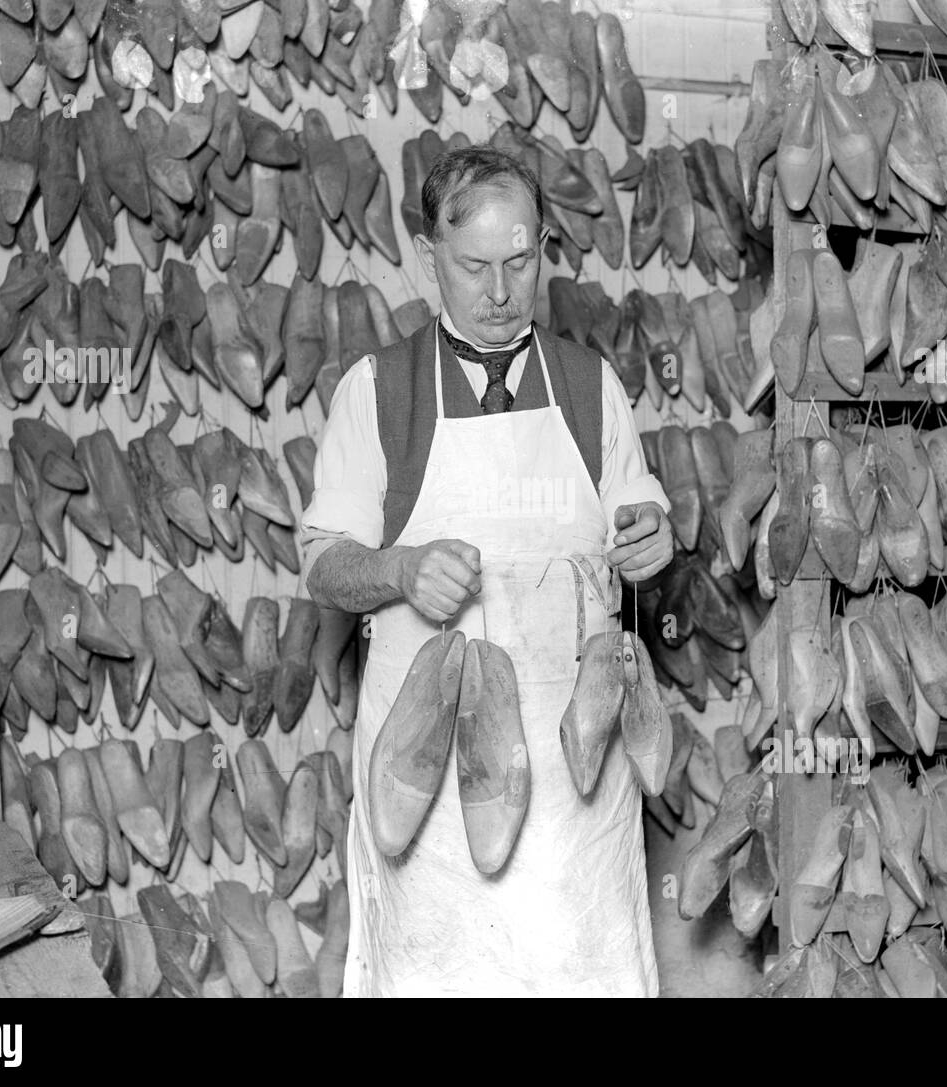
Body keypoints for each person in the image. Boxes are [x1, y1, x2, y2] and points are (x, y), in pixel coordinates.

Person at [301, 145, 673, 997]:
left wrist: (652, 539)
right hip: (427, 800)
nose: (502, 293)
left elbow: (637, 518)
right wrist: (397, 570)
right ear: (430, 258)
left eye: (521, 261)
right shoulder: (377, 390)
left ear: (543, 247)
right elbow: (323, 566)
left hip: (577, 799)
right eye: (473, 267)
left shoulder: (591, 386)